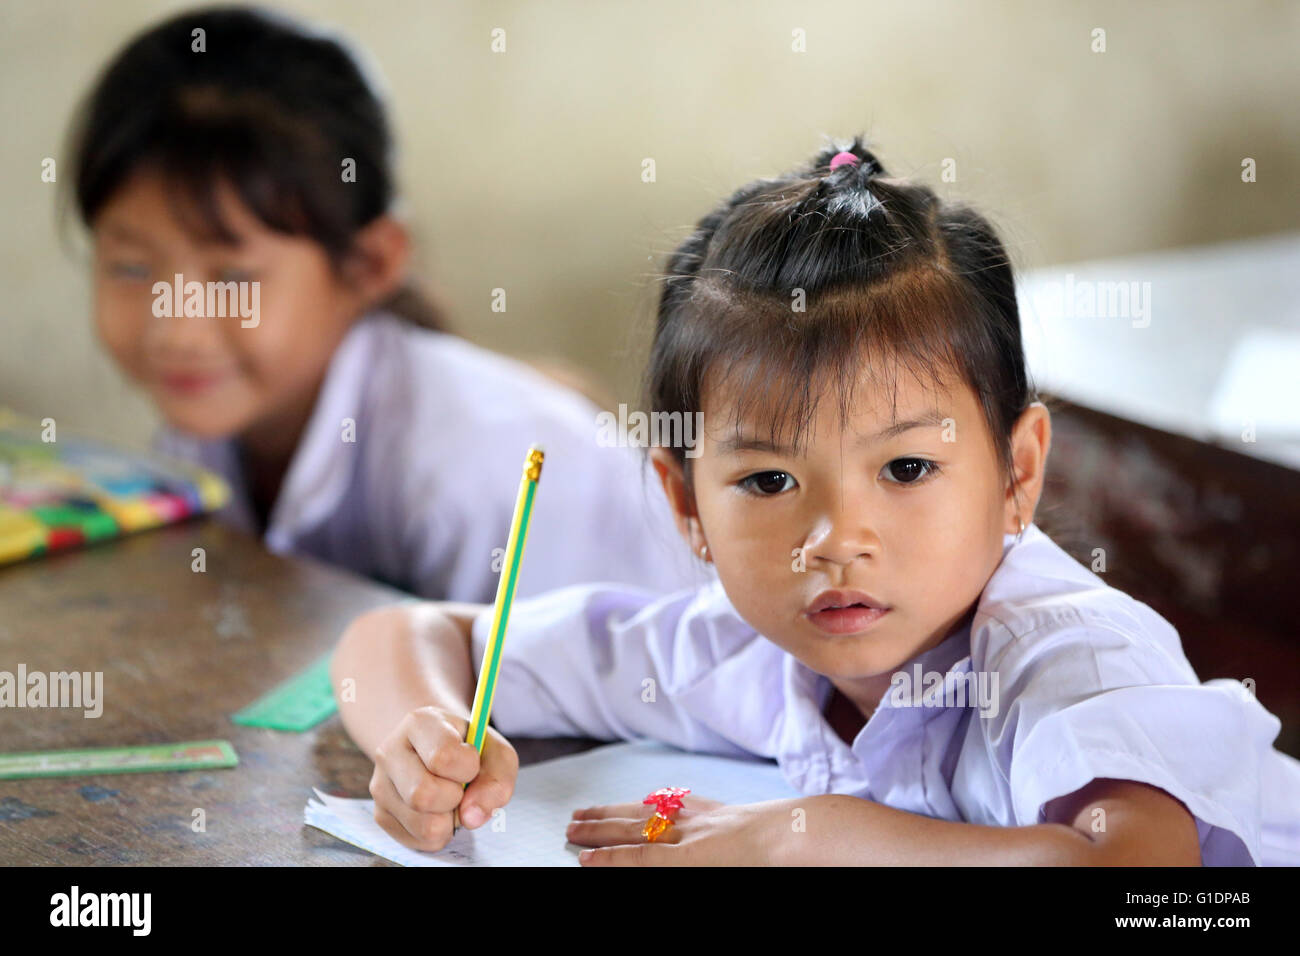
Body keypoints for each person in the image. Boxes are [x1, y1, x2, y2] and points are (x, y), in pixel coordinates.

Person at [332, 138, 1300, 865]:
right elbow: (402, 640)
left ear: (1017, 471)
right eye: (766, 481)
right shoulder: (737, 648)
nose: (836, 541)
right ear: (687, 506)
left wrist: (799, 836)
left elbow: (1133, 880)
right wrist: (421, 738)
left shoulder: (1066, 653)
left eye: (908, 469)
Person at [66, 6, 699, 600]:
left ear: (369, 264)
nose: (175, 326)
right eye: (130, 267)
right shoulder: (206, 428)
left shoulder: (484, 471)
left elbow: (586, 695)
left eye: (233, 275)